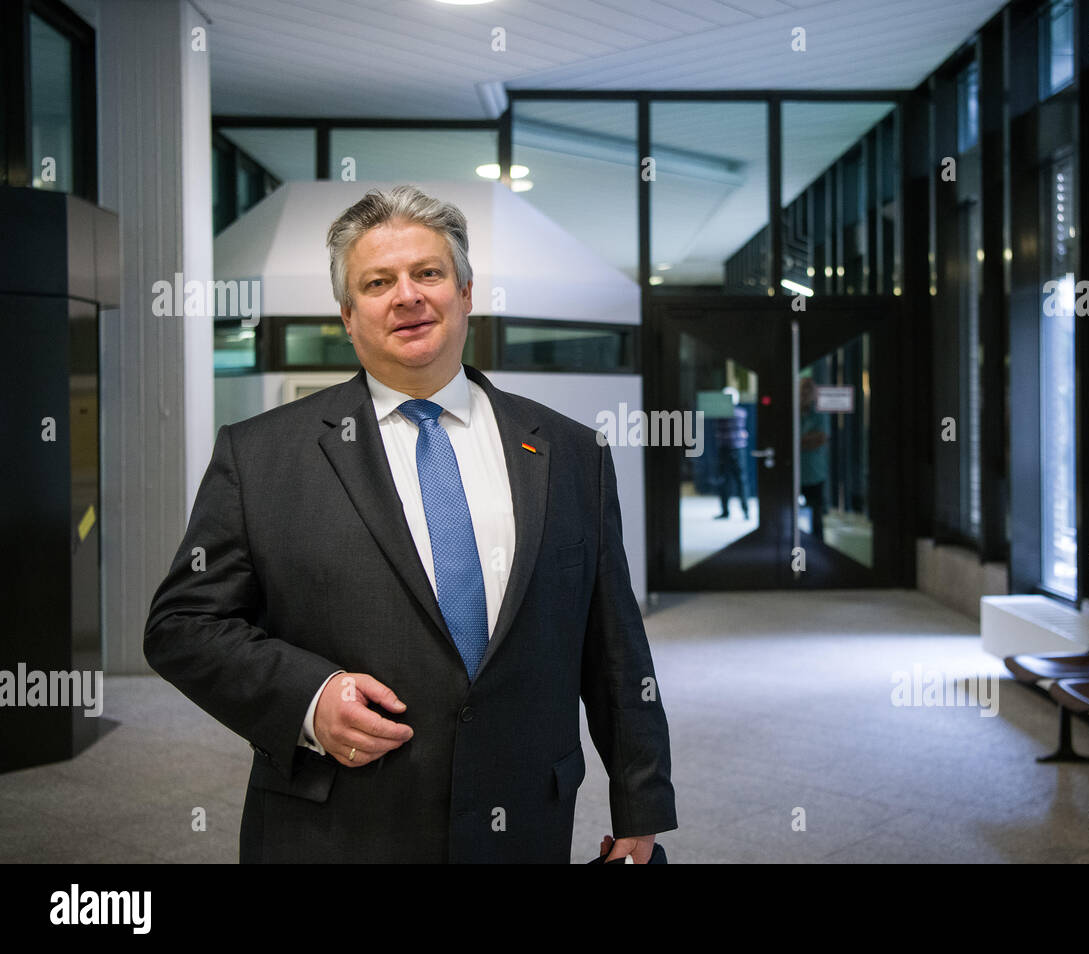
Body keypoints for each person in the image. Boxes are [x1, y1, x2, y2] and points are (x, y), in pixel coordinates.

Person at [144, 185, 676, 863]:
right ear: (347, 314)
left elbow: (615, 646)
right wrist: (309, 698)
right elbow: (182, 626)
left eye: (428, 273)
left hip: (520, 823)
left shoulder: (572, 453)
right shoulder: (260, 456)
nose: (407, 296)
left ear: (466, 293)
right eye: (377, 282)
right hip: (336, 829)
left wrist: (640, 803)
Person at [799, 376, 830, 539]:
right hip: (796, 473)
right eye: (802, 389)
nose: (805, 393)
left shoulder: (818, 413)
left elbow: (821, 438)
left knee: (816, 518)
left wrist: (800, 441)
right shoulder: (794, 413)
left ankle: (818, 547)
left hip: (814, 472)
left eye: (808, 390)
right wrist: (807, 439)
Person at [713, 390, 749, 519]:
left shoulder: (722, 414)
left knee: (726, 480)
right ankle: (745, 511)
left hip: (727, 449)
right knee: (740, 480)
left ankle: (726, 511)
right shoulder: (741, 413)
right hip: (738, 449)